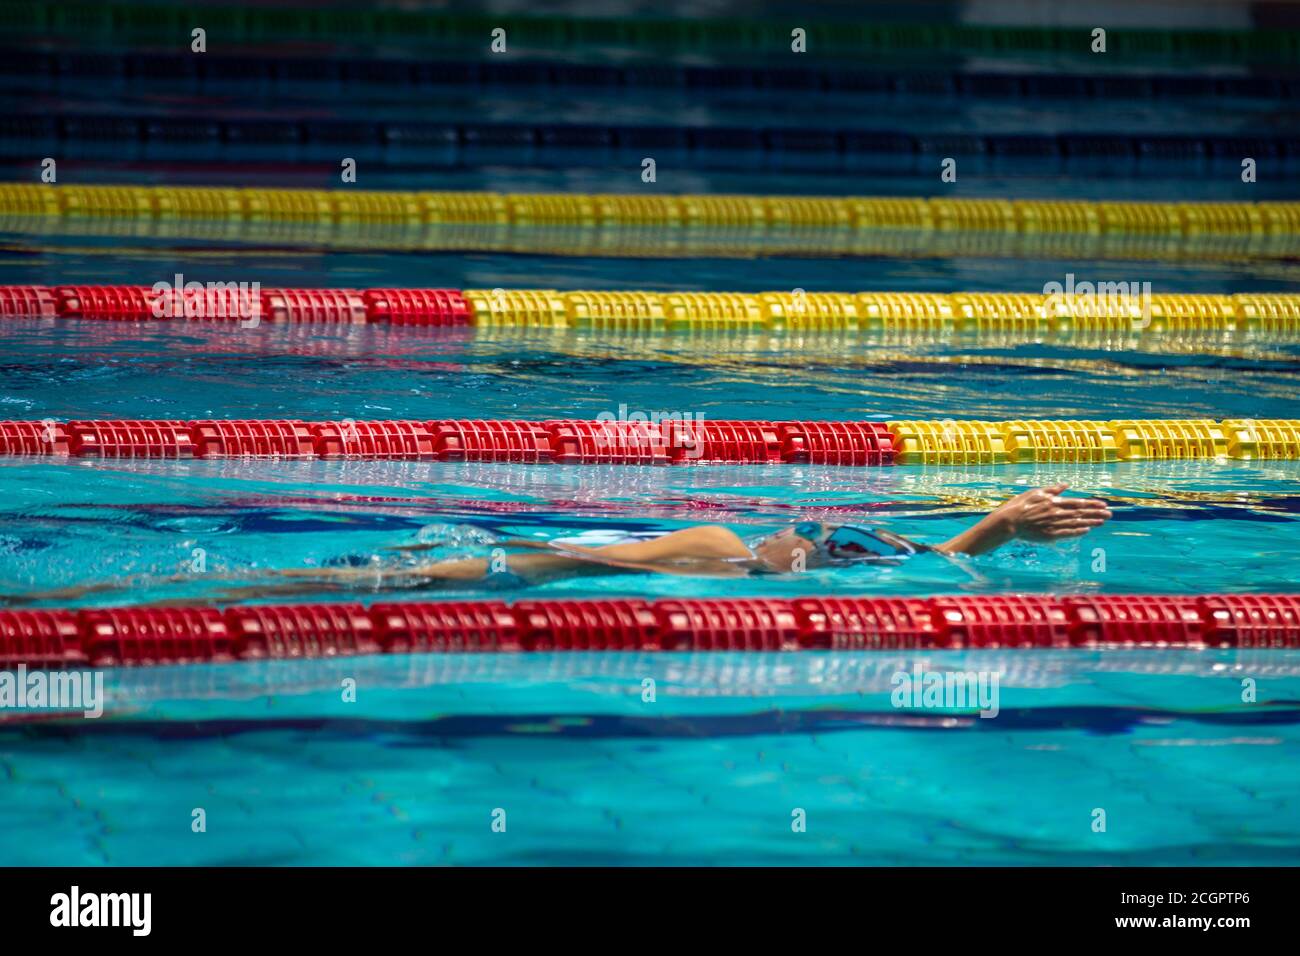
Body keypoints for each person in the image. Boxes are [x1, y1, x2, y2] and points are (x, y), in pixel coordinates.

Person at [1, 483, 1110, 604]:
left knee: (243, 586)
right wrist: (991, 531)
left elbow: (904, 573)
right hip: (469, 568)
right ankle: (73, 599)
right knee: (245, 590)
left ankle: (86, 594)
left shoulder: (736, 548)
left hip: (477, 561)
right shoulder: (722, 550)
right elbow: (558, 563)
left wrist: (990, 533)